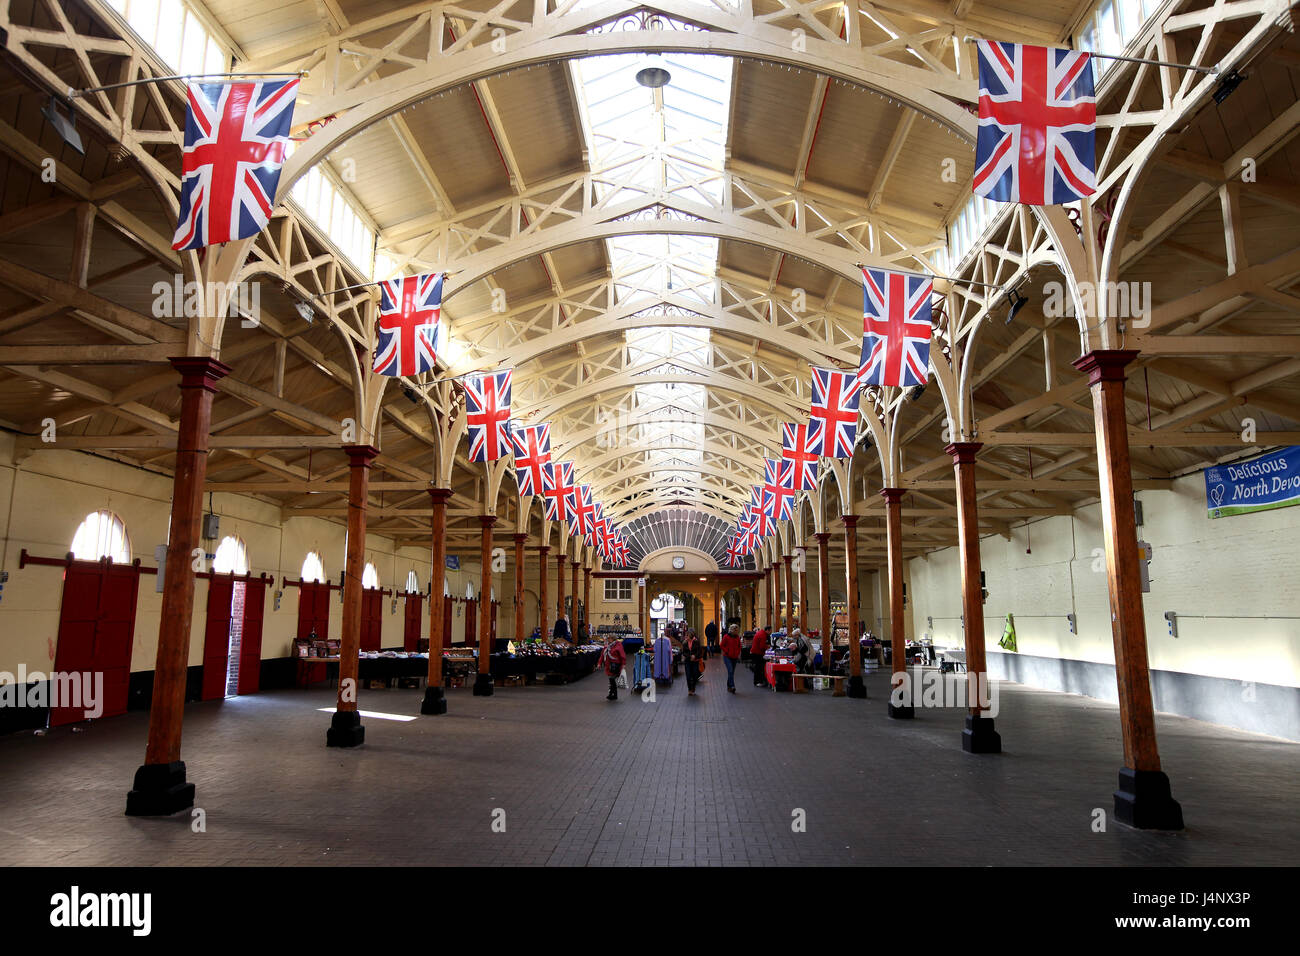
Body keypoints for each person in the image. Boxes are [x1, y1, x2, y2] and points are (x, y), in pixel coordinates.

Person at [681, 628, 704, 696]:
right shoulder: (685, 643)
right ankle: (689, 689)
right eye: (685, 636)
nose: (685, 637)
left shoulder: (696, 642)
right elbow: (684, 652)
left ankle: (693, 688)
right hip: (688, 661)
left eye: (687, 636)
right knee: (688, 675)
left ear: (691, 636)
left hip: (695, 661)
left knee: (694, 675)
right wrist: (689, 656)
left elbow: (699, 651)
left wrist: (695, 656)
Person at [720, 623, 742, 693]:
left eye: (737, 630)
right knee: (730, 670)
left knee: (731, 672)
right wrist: (727, 651)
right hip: (727, 656)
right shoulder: (726, 637)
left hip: (734, 657)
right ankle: (732, 686)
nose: (736, 631)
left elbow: (739, 646)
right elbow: (722, 645)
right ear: (731, 630)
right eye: (734, 630)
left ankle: (729, 685)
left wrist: (738, 653)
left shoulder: (737, 637)